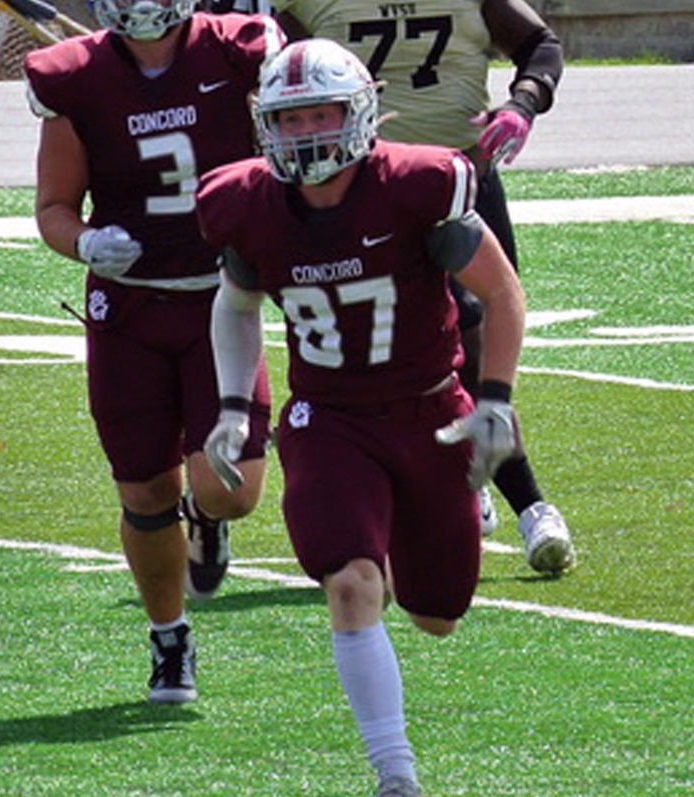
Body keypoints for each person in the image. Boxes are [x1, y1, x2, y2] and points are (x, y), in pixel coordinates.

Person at [197, 39, 526, 797]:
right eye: (290, 118)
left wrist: (497, 399)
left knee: (437, 613)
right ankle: (396, 775)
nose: (308, 132)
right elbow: (237, 305)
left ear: (360, 112)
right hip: (329, 419)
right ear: (263, 125)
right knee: (350, 583)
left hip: (431, 409)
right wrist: (231, 405)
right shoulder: (246, 203)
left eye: (322, 113)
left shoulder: (416, 185)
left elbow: (502, 293)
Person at [24, 0, 282, 703]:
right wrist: (83, 241)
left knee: (228, 491)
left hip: (220, 299)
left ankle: (207, 525)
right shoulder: (75, 76)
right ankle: (170, 638)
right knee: (144, 487)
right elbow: (53, 206)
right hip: (129, 306)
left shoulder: (237, 50)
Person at [267, 0, 575, 574]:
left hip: (464, 174)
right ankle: (510, 499)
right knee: (420, 346)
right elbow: (273, 68)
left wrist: (523, 105)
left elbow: (541, 47)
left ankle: (509, 496)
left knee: (478, 345)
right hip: (366, 186)